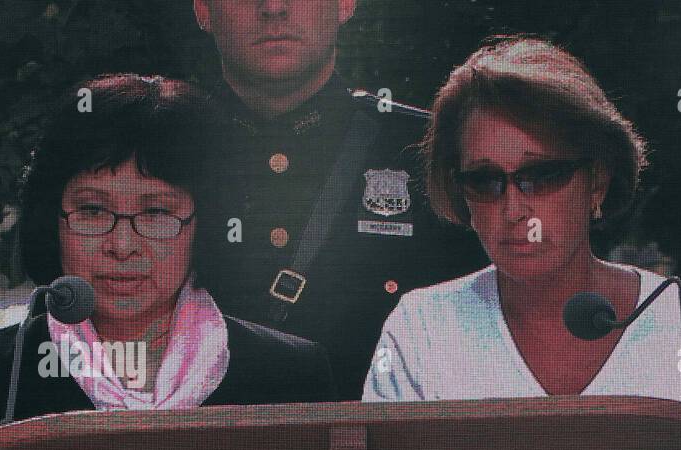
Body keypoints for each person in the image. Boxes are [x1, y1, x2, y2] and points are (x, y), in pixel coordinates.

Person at [0, 74, 333, 450]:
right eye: (92, 211)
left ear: (207, 227)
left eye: (157, 213)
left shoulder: (290, 376)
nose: (123, 245)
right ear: (49, 221)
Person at [363, 36, 681, 426]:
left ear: (597, 182)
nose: (514, 209)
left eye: (541, 175)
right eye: (485, 180)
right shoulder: (421, 329)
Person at [191, 0, 484, 399]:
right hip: (198, 446)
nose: (273, 7)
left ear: (345, 4)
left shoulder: (429, 151)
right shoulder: (161, 148)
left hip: (383, 445)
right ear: (203, 10)